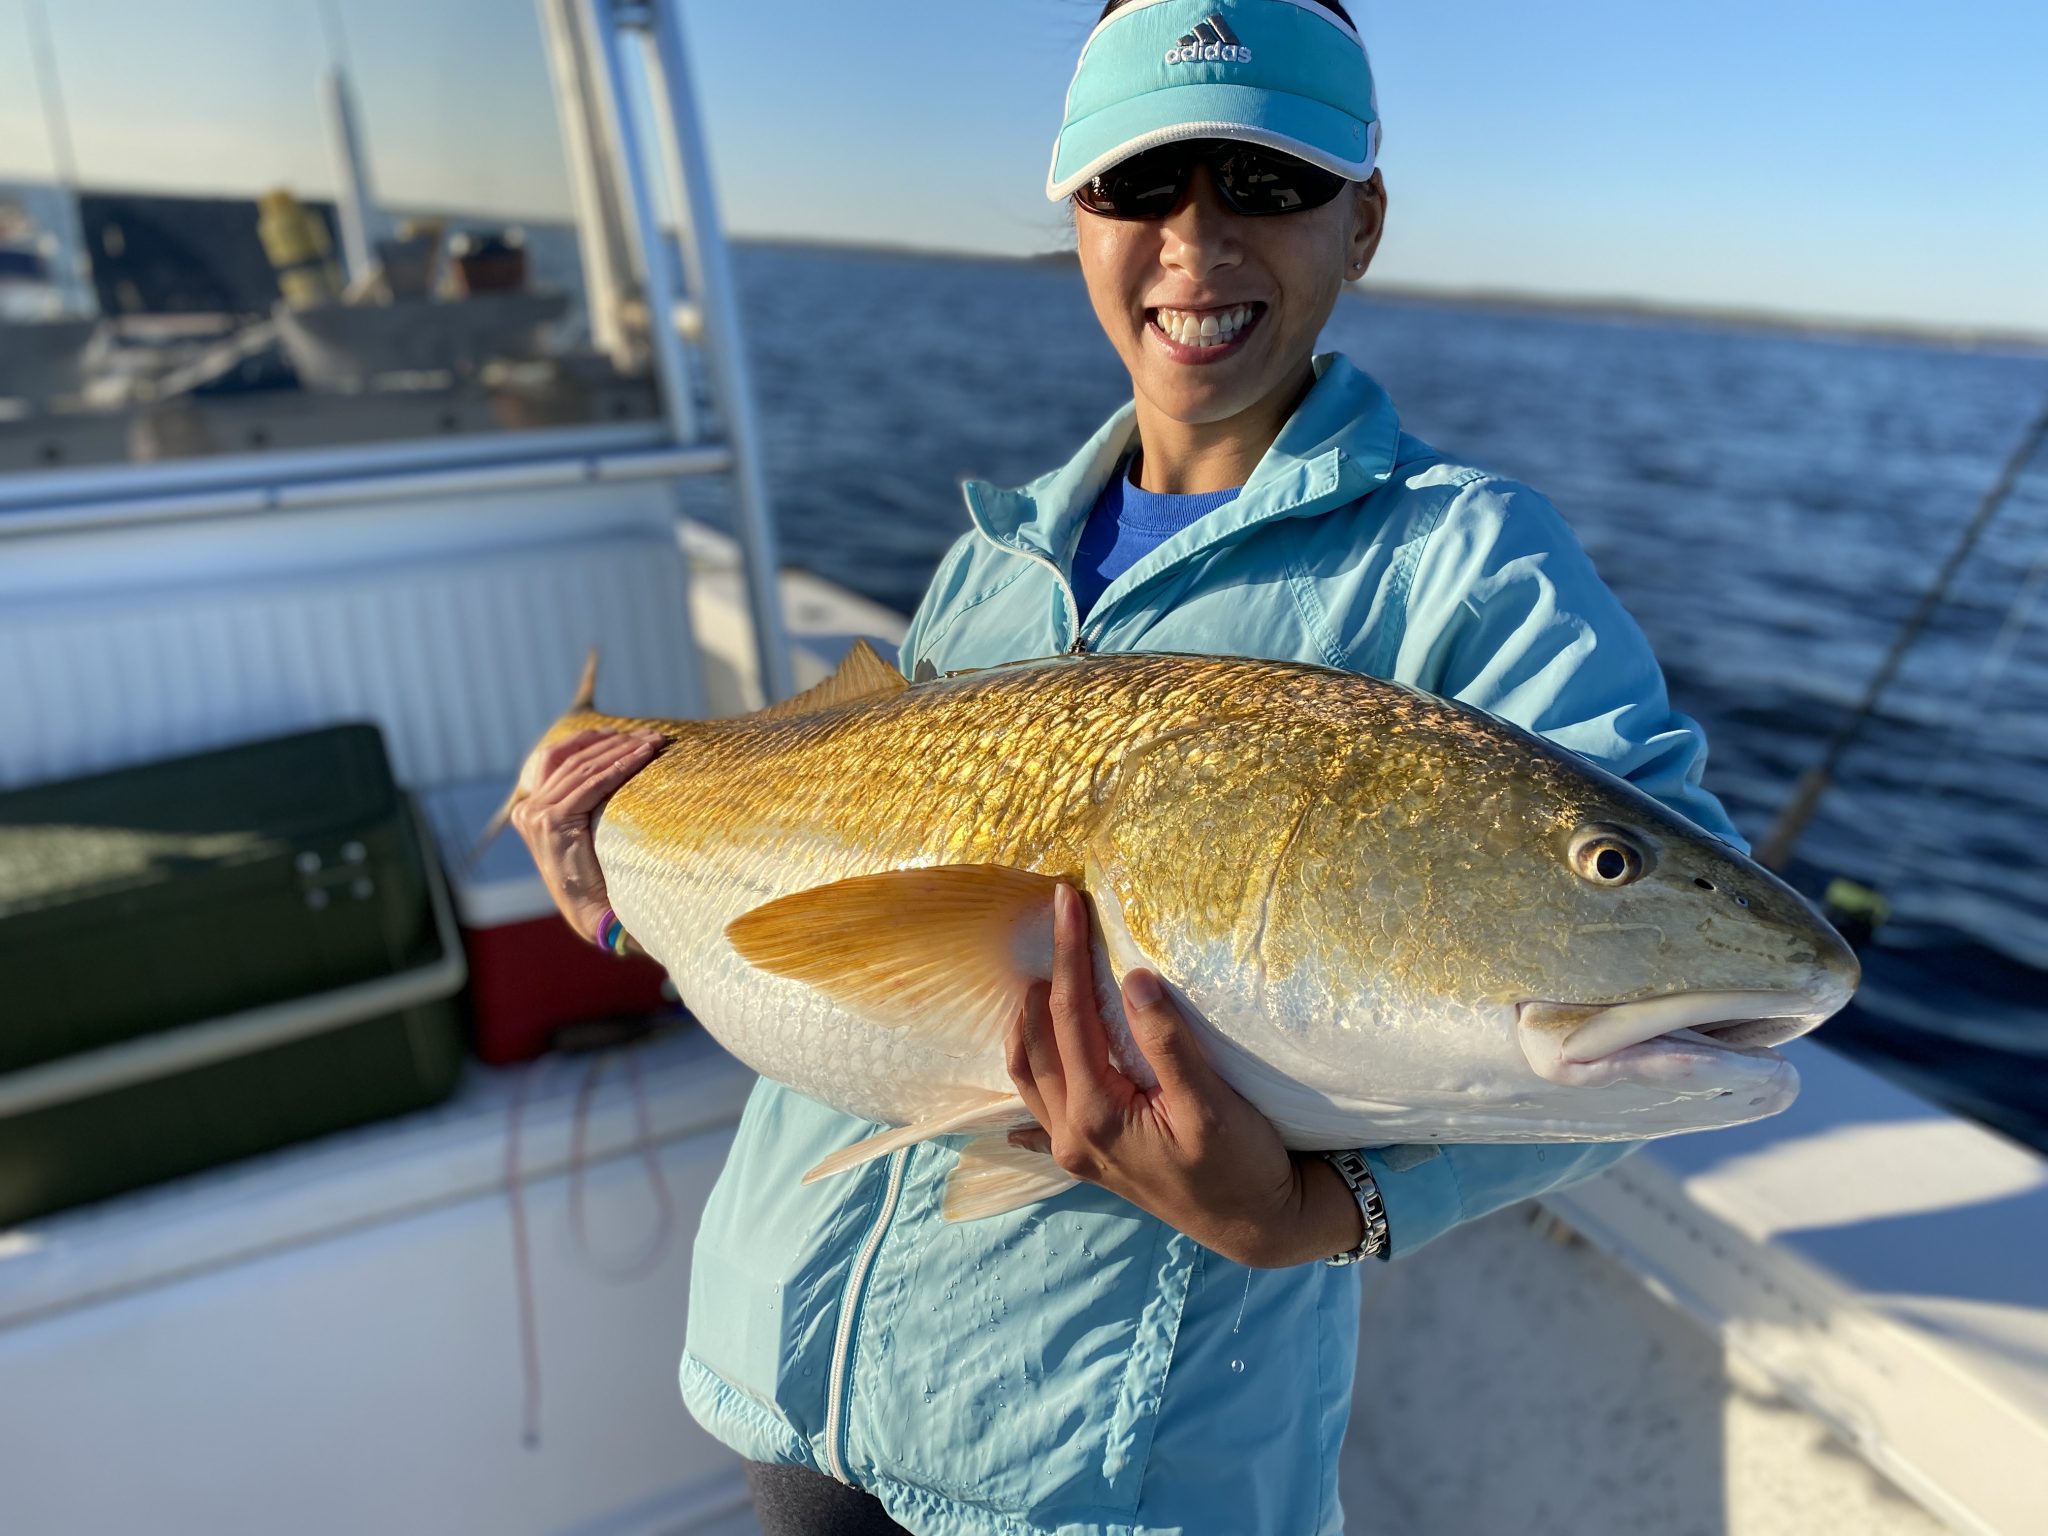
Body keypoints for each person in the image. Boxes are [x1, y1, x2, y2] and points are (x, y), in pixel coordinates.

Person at [511, 2, 1747, 1532]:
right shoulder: (1000, 549)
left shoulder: (1463, 559)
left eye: (1267, 184)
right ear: (1077, 214)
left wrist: (1326, 1210)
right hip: (780, 1364)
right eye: (1141, 185)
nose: (1196, 242)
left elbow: (1674, 971)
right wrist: (619, 887)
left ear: (1361, 219)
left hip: (1106, 1470)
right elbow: (816, 919)